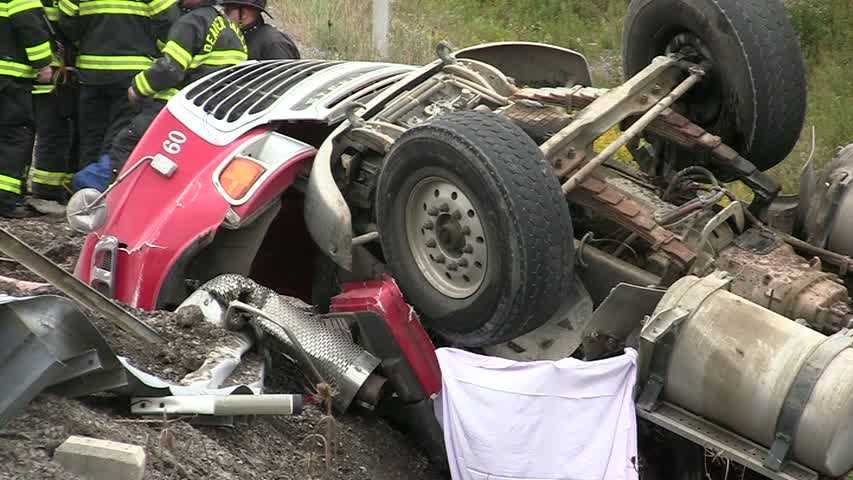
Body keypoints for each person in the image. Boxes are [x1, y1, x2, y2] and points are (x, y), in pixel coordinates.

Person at [72, 0, 248, 191]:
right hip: (208, 113)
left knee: (125, 145)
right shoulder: (231, 28)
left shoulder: (192, 22)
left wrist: (138, 88)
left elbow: (170, 68)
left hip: (174, 108)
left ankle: (93, 194)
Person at [58, 0, 179, 173]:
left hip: (92, 73)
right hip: (133, 75)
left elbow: (67, 22)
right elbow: (169, 23)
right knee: (119, 139)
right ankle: (106, 190)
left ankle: (85, 191)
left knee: (91, 139)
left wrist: (89, 41)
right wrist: (154, 49)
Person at [0, 0, 53, 217]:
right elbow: (29, 26)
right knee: (14, 136)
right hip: (10, 80)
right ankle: (7, 201)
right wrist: (43, 63)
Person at [30, 0, 77, 208]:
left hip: (40, 72)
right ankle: (47, 190)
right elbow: (68, 25)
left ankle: (47, 187)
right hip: (51, 75)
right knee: (55, 132)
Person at [221, 0, 299, 60]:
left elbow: (286, 79)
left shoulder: (274, 44)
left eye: (227, 10)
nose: (224, 14)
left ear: (244, 13)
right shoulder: (239, 37)